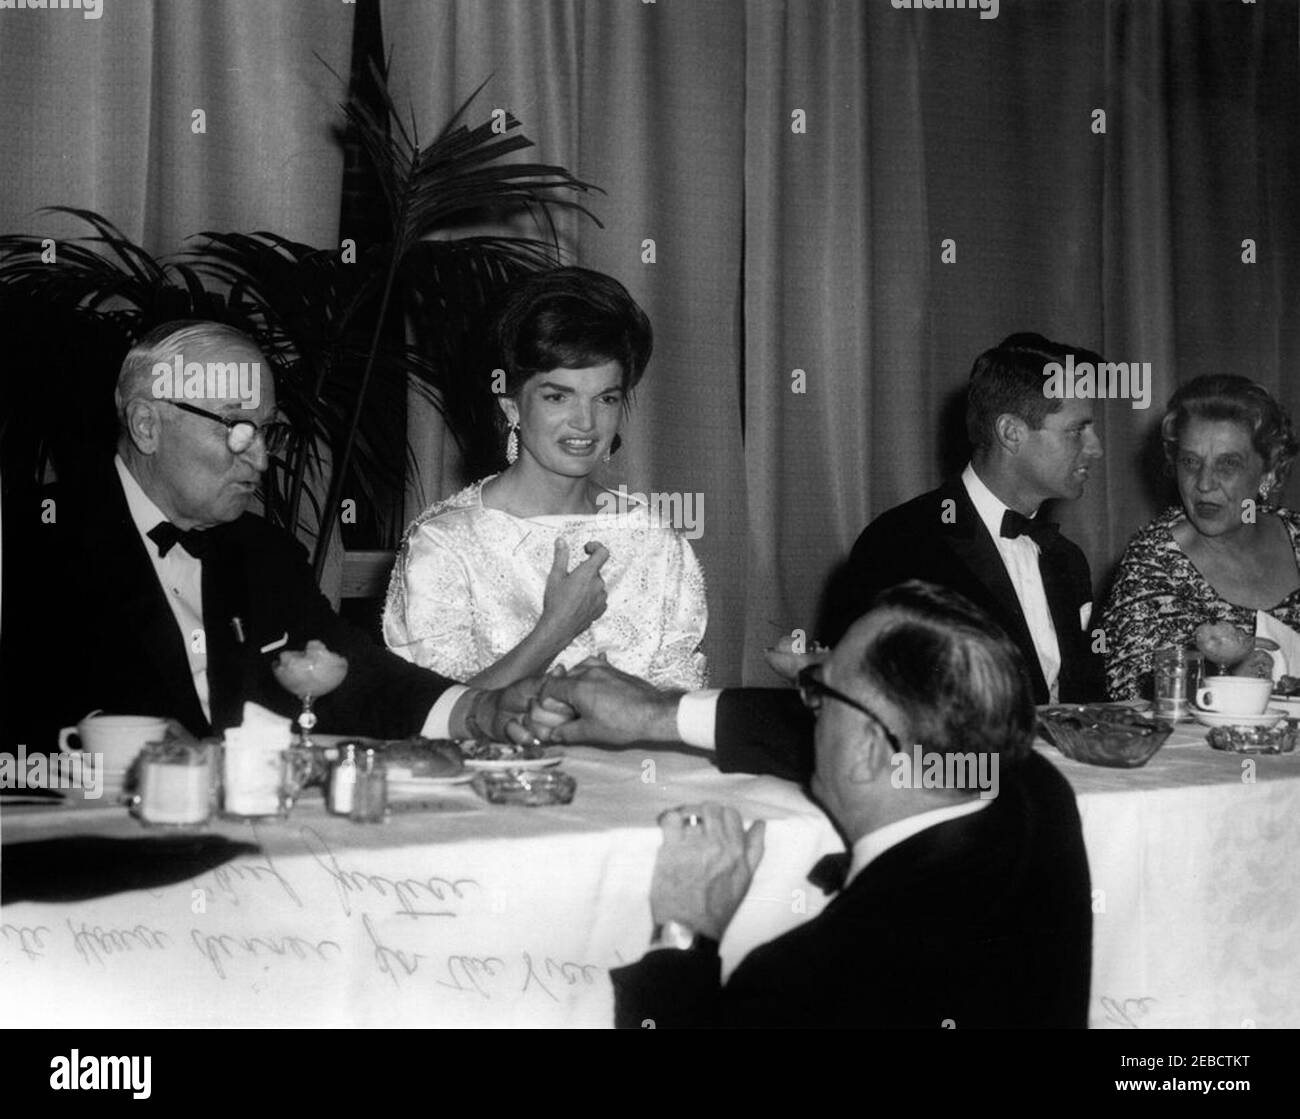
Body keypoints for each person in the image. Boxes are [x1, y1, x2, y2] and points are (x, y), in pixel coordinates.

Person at [541, 582, 1092, 1028]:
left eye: (817, 697)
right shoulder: (1037, 796)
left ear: (869, 751)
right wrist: (660, 713)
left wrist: (684, 934)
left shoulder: (802, 978)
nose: (806, 713)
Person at [2, 321, 541, 754]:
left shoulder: (262, 552)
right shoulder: (29, 542)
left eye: (266, 433)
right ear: (147, 425)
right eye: (236, 428)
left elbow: (353, 672)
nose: (261, 459)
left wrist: (480, 711)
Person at [383, 266, 708, 691]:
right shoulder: (445, 543)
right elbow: (434, 716)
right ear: (512, 407)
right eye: (558, 396)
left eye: (606, 398)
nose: (586, 422)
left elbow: (679, 702)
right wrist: (555, 629)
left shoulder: (654, 540)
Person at [823, 332, 1106, 704]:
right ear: (1011, 433)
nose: (1096, 448)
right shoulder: (899, 545)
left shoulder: (1066, 560)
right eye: (1077, 431)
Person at [1102, 375, 1300, 699]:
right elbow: (1133, 706)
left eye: (1228, 464)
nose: (1205, 484)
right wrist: (1231, 682)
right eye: (1191, 462)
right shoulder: (1153, 562)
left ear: (1269, 473)